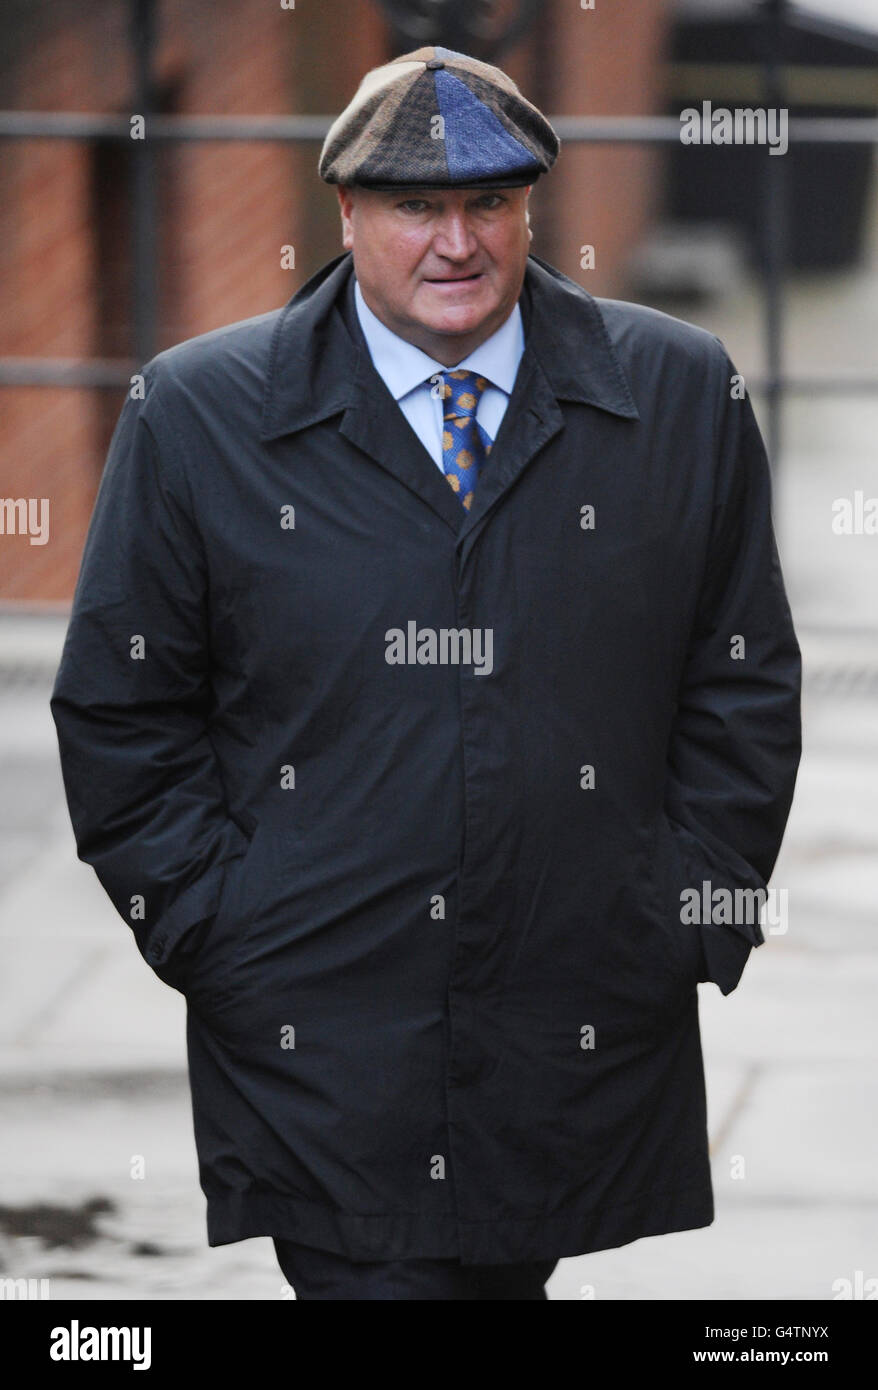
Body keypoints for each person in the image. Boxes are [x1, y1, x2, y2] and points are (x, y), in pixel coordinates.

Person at [50, 46, 802, 1301]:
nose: (455, 241)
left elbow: (742, 686)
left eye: (487, 204)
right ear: (344, 213)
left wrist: (681, 920)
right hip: (321, 1040)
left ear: (527, 210)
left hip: (578, 1018)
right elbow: (123, 712)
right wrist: (223, 937)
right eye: (415, 206)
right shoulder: (199, 416)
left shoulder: (676, 393)